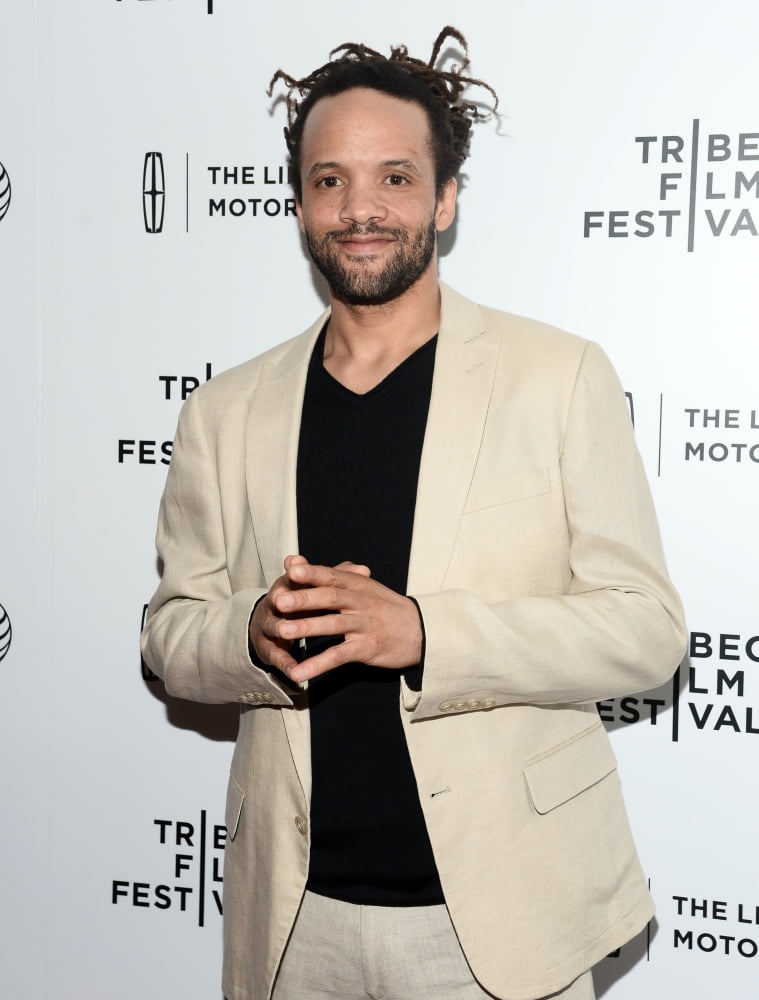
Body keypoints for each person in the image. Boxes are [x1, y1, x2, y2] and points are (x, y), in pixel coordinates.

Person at [141, 26, 686, 1000]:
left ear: (444, 199)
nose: (360, 209)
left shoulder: (557, 377)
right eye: (330, 180)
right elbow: (171, 634)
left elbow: (646, 630)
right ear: (300, 204)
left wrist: (426, 633)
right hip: (293, 920)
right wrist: (250, 633)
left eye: (394, 178)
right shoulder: (224, 410)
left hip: (502, 920)